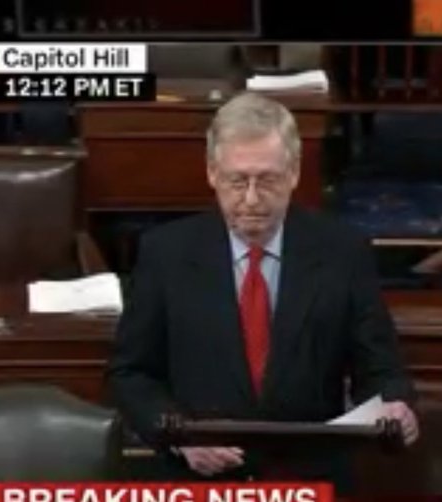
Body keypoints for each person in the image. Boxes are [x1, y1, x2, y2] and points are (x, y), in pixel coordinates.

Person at [107, 93, 418, 479]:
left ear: (294, 174)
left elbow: (382, 368)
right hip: (202, 486)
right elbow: (132, 374)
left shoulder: (343, 252)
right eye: (238, 181)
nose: (251, 199)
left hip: (308, 480)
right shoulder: (166, 254)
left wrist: (395, 404)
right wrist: (181, 435)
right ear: (212, 174)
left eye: (267, 180)